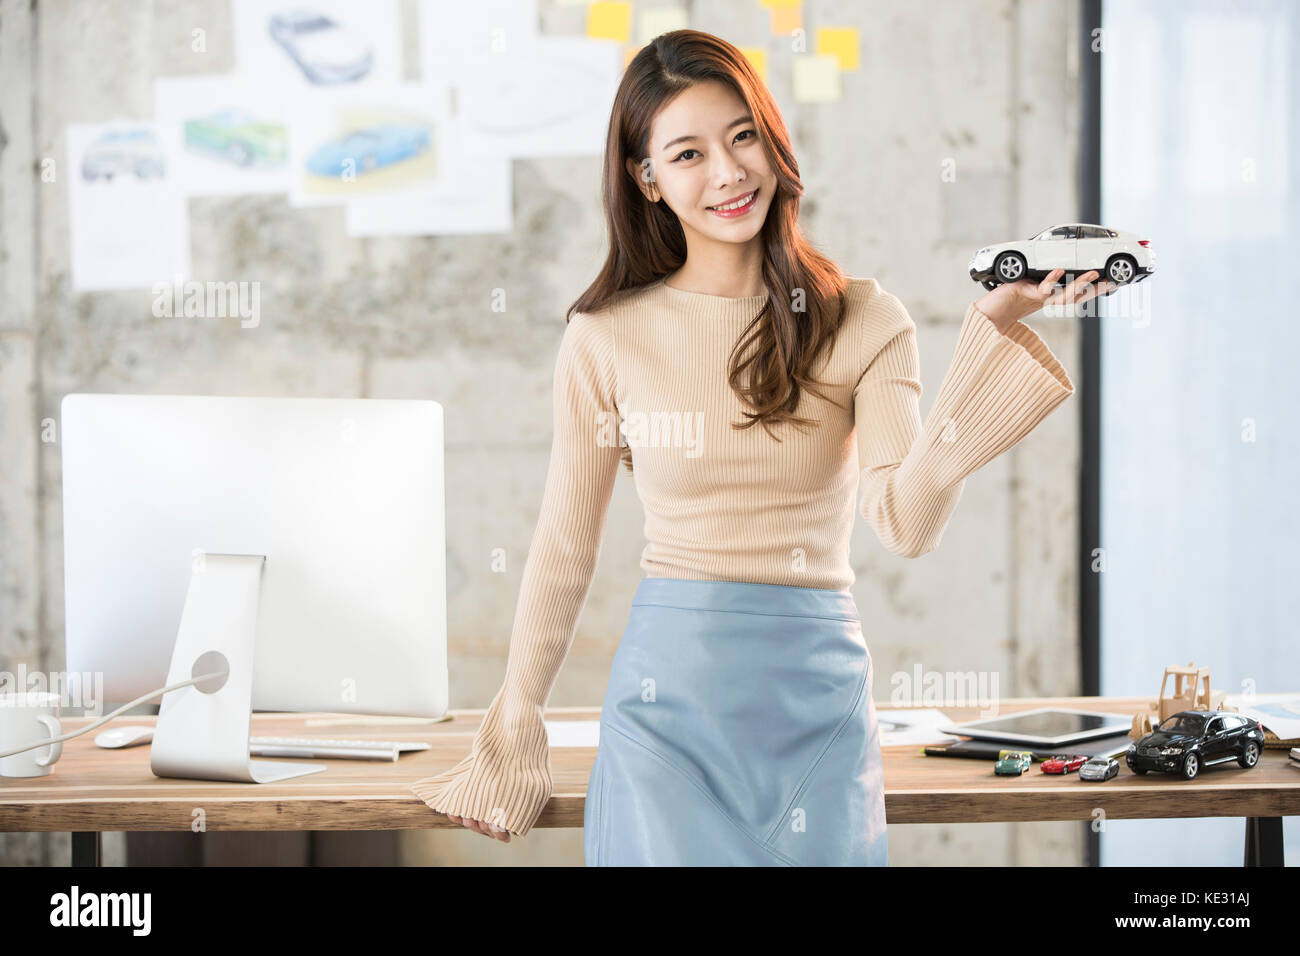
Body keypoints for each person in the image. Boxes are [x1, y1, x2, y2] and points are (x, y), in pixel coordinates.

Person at [410, 29, 1107, 865]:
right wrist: (515, 722)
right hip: (667, 715)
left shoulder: (867, 319)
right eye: (688, 152)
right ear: (649, 179)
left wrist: (988, 333)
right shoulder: (605, 337)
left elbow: (906, 522)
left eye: (742, 136)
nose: (728, 172)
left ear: (774, 141)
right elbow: (565, 547)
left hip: (817, 712)